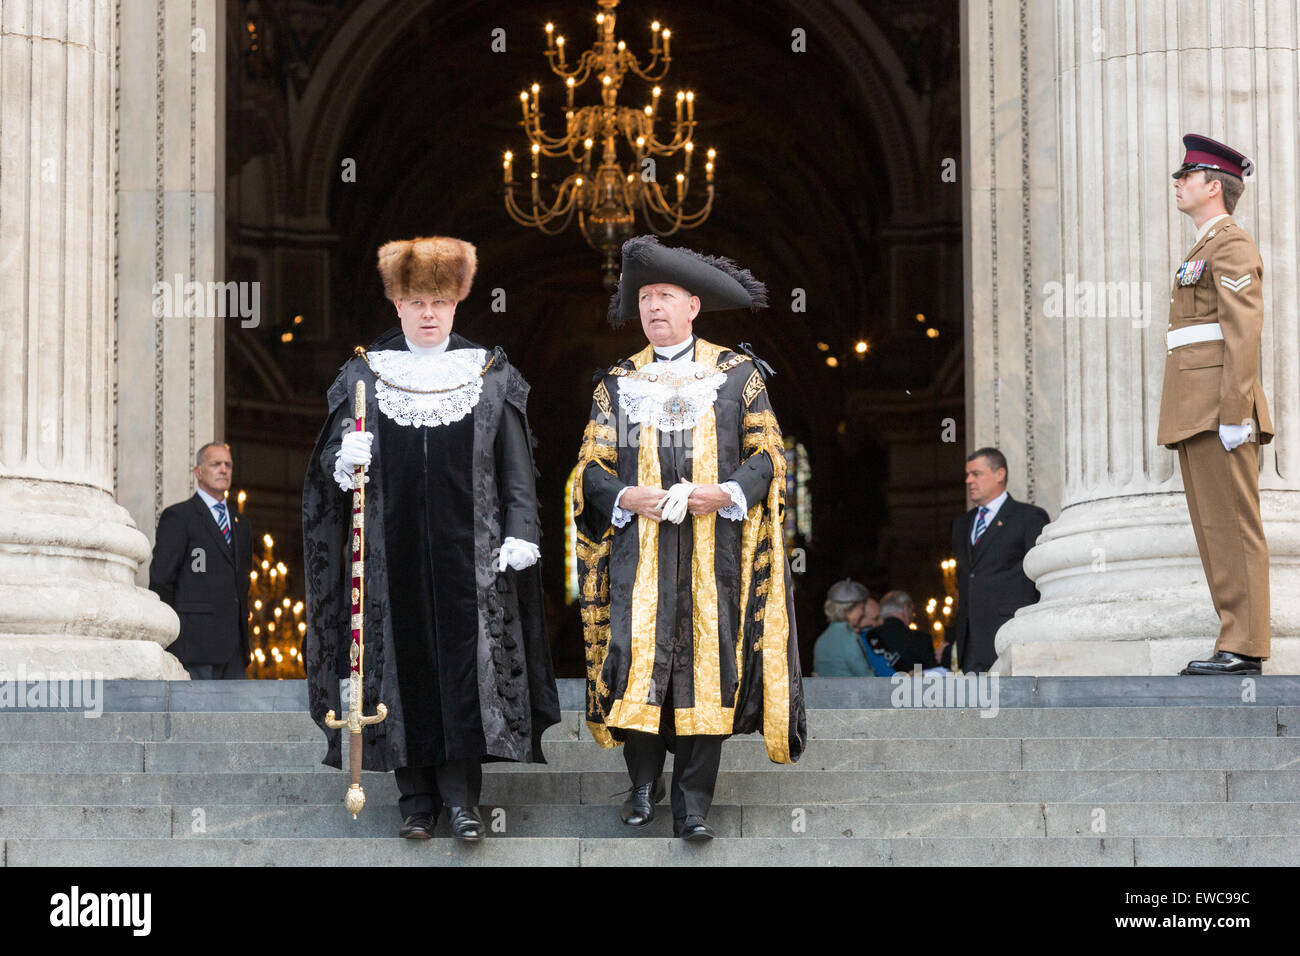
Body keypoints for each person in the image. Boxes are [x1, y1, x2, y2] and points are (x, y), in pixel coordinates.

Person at [301, 236, 560, 842]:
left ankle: (464, 801)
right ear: (397, 305)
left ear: (457, 304)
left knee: (467, 673)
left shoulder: (489, 374)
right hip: (392, 561)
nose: (427, 312)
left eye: (439, 300)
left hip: (471, 558)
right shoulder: (366, 374)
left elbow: (516, 467)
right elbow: (328, 477)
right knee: (400, 671)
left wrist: (523, 530)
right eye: (416, 300)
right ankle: (416, 801)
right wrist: (345, 458)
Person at [573, 235, 806, 842]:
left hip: (715, 556)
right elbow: (590, 469)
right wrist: (627, 496)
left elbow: (768, 456)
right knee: (637, 664)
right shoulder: (618, 384)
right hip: (639, 557)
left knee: (709, 669)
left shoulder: (738, 376)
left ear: (692, 306)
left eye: (665, 296)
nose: (653, 307)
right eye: (645, 297)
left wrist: (725, 493)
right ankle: (643, 784)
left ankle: (693, 805)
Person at [1160, 135, 1273, 676]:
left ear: (1214, 187)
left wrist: (1235, 414)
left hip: (1217, 410)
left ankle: (1245, 645)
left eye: (1187, 175)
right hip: (1197, 407)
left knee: (1233, 525)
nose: (1177, 182)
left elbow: (1242, 333)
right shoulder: (1205, 246)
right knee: (1214, 528)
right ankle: (1236, 639)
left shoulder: (1229, 244)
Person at [148, 442, 252, 679]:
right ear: (198, 472)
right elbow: (161, 581)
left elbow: (243, 586)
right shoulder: (179, 517)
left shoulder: (241, 524)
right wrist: (168, 639)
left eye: (228, 465)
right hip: (193, 646)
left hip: (234, 650)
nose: (223, 470)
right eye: (216, 464)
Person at [950, 448, 1050, 672]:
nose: (969, 481)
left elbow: (1039, 575)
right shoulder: (961, 524)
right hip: (970, 641)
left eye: (976, 474)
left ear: (999, 474)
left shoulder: (1028, 517)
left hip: (1010, 633)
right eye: (967, 475)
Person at [813, 579, 892, 676]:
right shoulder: (848, 638)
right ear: (849, 609)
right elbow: (866, 676)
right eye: (861, 608)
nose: (862, 613)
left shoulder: (822, 639)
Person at [867, 590, 940, 673]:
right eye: (912, 610)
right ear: (906, 609)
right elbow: (933, 673)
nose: (913, 615)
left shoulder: (869, 636)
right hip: (910, 685)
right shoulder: (920, 639)